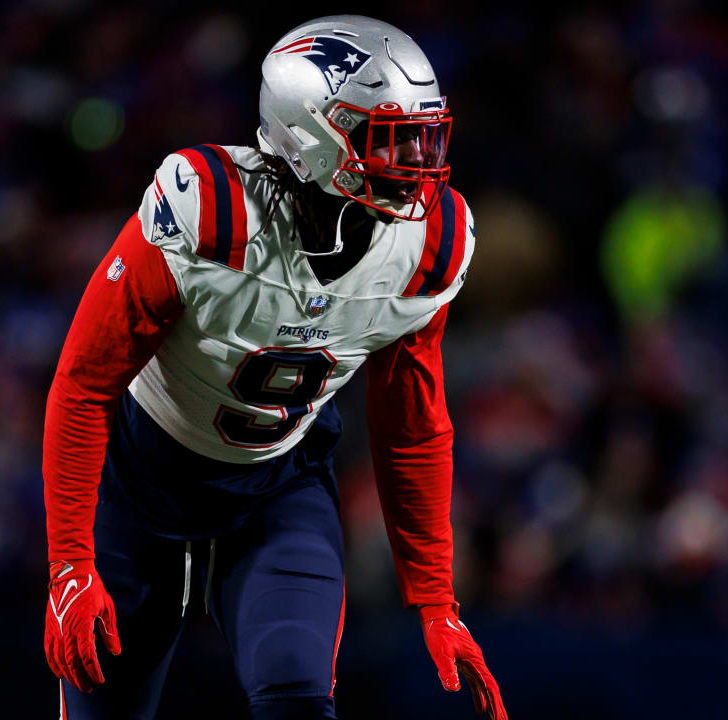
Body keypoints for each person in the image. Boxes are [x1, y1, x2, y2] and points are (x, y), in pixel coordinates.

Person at [41, 15, 507, 719]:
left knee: (297, 695)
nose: (416, 156)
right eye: (387, 134)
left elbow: (412, 426)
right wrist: (70, 565)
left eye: (421, 132)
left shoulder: (430, 242)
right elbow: (84, 382)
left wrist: (438, 599)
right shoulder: (208, 212)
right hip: (138, 480)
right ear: (312, 135)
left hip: (277, 484)